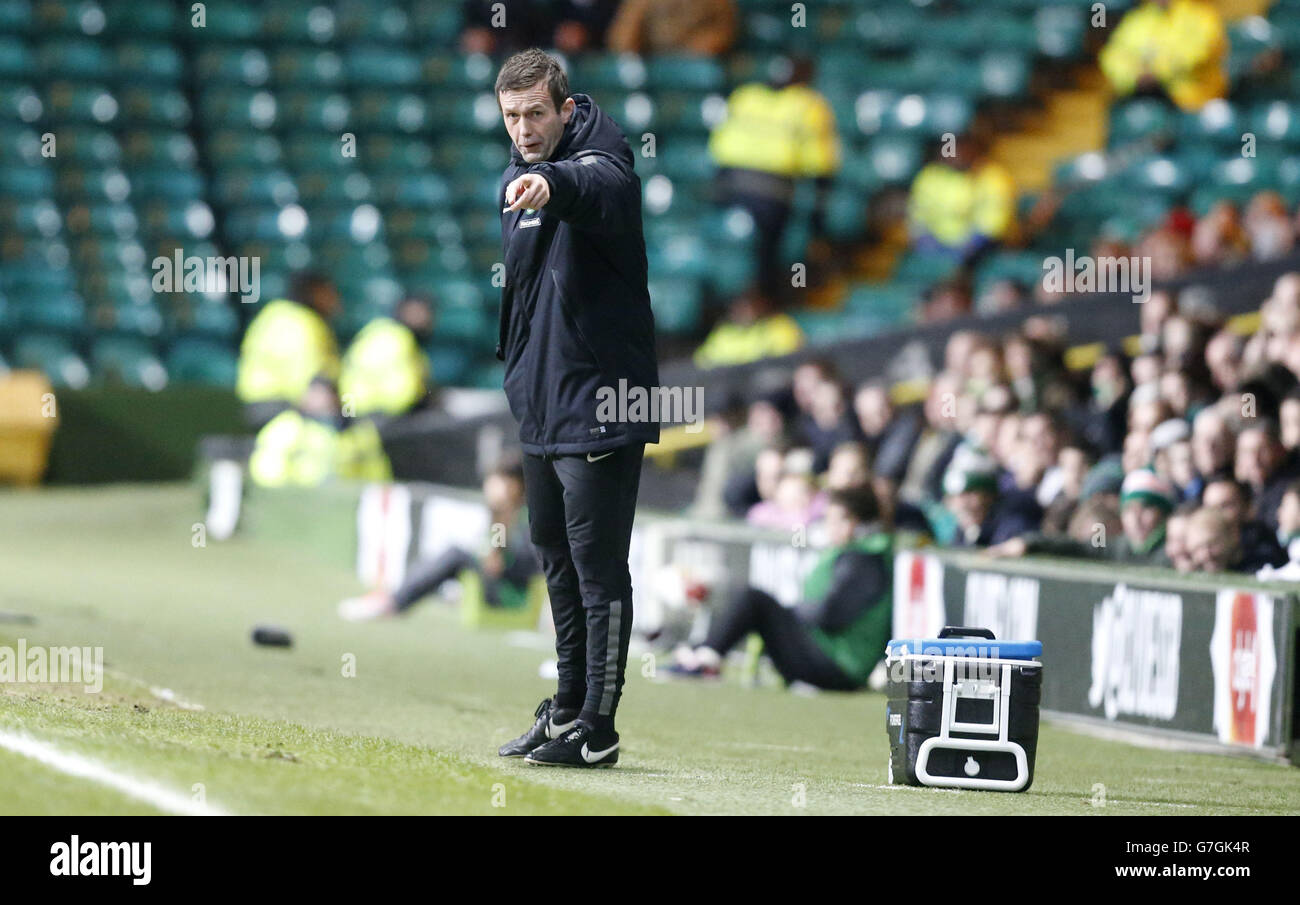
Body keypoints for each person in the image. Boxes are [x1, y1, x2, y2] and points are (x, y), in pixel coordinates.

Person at [492, 49, 658, 768]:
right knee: (554, 558)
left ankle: (600, 724)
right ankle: (564, 707)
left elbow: (591, 188)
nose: (524, 129)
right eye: (511, 116)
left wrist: (548, 180)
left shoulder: (604, 164)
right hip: (544, 402)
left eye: (536, 113)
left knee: (598, 567)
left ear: (565, 108)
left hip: (601, 400)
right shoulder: (514, 177)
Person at [665, 484, 892, 691]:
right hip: (832, 660)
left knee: (753, 600)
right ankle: (701, 653)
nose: (830, 527)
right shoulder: (860, 555)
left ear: (859, 523)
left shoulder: (863, 560)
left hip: (838, 668)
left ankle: (705, 659)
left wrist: (788, 612)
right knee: (756, 603)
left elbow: (829, 615)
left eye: (838, 520)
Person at [709, 55, 841, 301]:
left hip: (729, 190)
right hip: (770, 195)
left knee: (742, 252)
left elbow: (718, 153)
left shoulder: (744, 96)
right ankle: (762, 301)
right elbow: (821, 170)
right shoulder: (809, 105)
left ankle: (740, 303)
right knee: (765, 258)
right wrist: (818, 225)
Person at [338, 462, 538, 621]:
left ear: (514, 485)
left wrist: (499, 524)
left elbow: (497, 564)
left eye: (498, 482)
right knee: (448, 557)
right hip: (499, 586)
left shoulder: (522, 517)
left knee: (455, 555)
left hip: (512, 596)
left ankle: (392, 602)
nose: (490, 487)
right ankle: (393, 599)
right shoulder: (502, 516)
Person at [986, 467, 1173, 566]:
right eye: (1129, 510)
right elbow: (1077, 547)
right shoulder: (1118, 547)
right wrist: (1028, 543)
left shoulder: (1173, 554)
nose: (1136, 518)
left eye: (1146, 509)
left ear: (1163, 514)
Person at [235, 272, 342, 429]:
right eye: (329, 292)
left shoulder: (269, 314)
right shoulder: (305, 321)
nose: (334, 299)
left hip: (253, 406)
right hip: (283, 406)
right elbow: (313, 384)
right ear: (315, 292)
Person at [248, 376, 391, 488]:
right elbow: (268, 465)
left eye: (327, 394)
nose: (322, 400)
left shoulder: (358, 430)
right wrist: (285, 491)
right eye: (316, 394)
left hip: (344, 497)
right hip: (302, 496)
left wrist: (372, 488)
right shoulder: (290, 426)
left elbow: (374, 466)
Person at [1098, 0, 1227, 112]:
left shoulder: (1201, 15)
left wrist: (1157, 71)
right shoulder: (1138, 19)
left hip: (1192, 101)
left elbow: (1199, 51)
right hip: (1145, 96)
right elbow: (1112, 56)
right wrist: (1133, 76)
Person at [906, 132, 1015, 263]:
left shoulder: (993, 177)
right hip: (934, 245)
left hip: (980, 249)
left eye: (959, 148)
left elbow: (993, 223)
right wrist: (926, 241)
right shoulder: (930, 175)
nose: (954, 154)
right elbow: (918, 214)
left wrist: (968, 247)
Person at [338, 296, 433, 419]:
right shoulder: (400, 337)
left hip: (353, 413)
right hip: (382, 416)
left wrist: (348, 416)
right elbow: (406, 392)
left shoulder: (374, 329)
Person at [606, 0, 736, 57]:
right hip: (653, 68)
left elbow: (723, 33)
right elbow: (620, 42)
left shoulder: (714, 2)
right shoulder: (640, 3)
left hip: (693, 68)